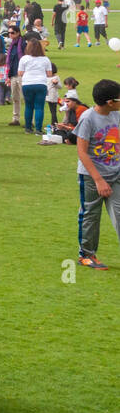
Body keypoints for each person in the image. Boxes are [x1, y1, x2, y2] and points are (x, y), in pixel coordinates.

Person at [74, 79, 120, 270]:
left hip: (115, 173)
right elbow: (82, 152)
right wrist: (99, 180)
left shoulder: (116, 114)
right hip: (91, 177)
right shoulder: (88, 118)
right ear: (110, 102)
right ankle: (86, 255)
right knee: (91, 215)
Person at [18, 37, 52, 135]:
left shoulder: (24, 58)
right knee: (39, 107)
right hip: (41, 83)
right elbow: (49, 74)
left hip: (27, 83)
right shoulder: (45, 59)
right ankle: (38, 129)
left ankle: (28, 128)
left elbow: (20, 73)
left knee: (29, 106)